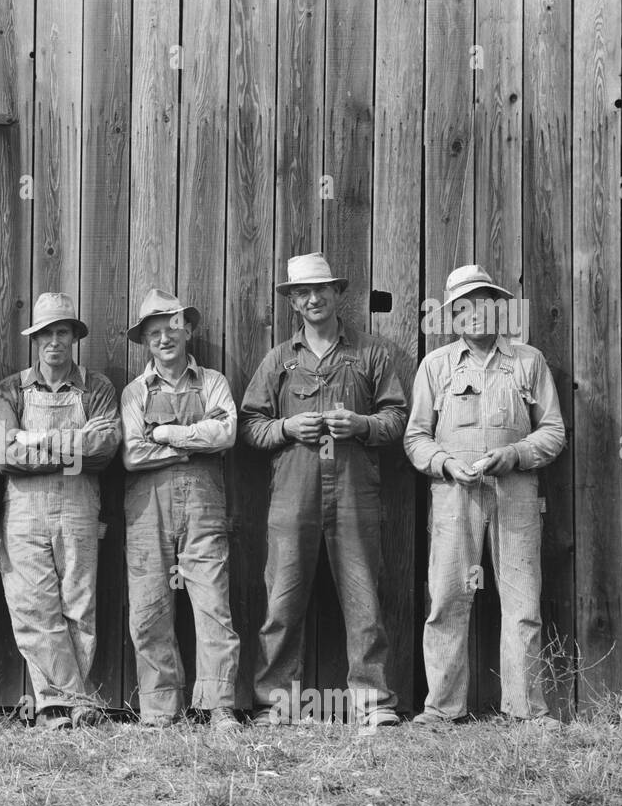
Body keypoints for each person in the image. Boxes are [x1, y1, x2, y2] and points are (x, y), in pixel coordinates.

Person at [240, 252, 407, 728]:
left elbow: (397, 418)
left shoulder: (372, 353)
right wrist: (287, 427)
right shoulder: (279, 359)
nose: (313, 299)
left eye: (321, 290)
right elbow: (251, 425)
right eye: (302, 293)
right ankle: (278, 706)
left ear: (338, 294)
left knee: (364, 599)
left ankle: (373, 704)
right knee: (282, 600)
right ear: (293, 301)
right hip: (293, 493)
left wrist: (361, 424)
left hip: (355, 492)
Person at [404, 264, 566, 728]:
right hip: (455, 497)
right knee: (447, 599)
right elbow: (415, 437)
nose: (473, 314)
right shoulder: (435, 366)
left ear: (500, 308)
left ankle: (526, 710)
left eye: (483, 303)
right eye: (463, 307)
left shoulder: (528, 361)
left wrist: (515, 454)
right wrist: (445, 463)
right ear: (451, 316)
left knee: (522, 601)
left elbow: (553, 432)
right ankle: (441, 708)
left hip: (516, 495)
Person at [0, 293, 121, 731]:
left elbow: (103, 451)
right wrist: (73, 442)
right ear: (35, 339)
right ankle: (60, 703)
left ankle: (66, 705)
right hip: (23, 511)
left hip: (80, 507)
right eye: (45, 333)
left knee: (78, 604)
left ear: (73, 337)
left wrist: (34, 442)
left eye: (61, 332)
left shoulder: (98, 387)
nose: (54, 341)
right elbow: (3, 455)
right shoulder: (11, 388)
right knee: (33, 606)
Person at [120, 288, 243, 733]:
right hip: (147, 508)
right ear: (146, 341)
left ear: (186, 329)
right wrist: (191, 444)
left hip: (203, 506)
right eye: (154, 332)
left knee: (213, 603)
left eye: (171, 327)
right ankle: (159, 710)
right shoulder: (135, 392)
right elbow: (132, 455)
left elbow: (226, 433)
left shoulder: (212, 382)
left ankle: (219, 705)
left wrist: (167, 434)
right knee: (149, 608)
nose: (164, 338)